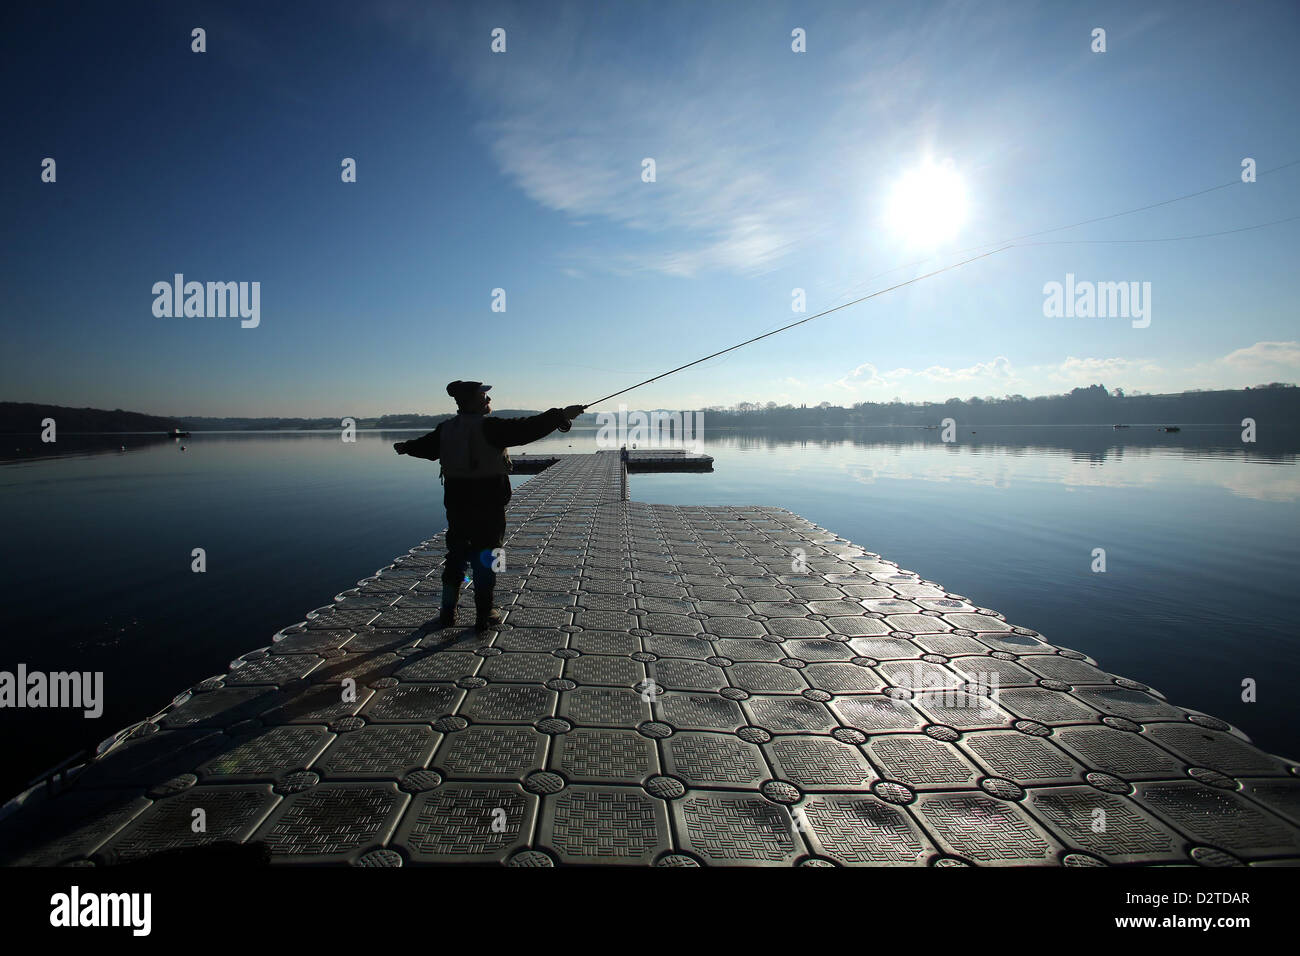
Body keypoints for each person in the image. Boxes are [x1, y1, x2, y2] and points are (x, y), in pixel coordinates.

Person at [394, 381, 585, 632]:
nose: (488, 401)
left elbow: (424, 447)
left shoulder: (446, 429)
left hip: (457, 502)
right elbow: (528, 428)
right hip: (488, 503)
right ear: (473, 401)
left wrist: (405, 447)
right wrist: (560, 415)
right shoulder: (491, 427)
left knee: (456, 555)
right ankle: (485, 612)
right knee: (489, 555)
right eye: (484, 397)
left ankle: (447, 611)